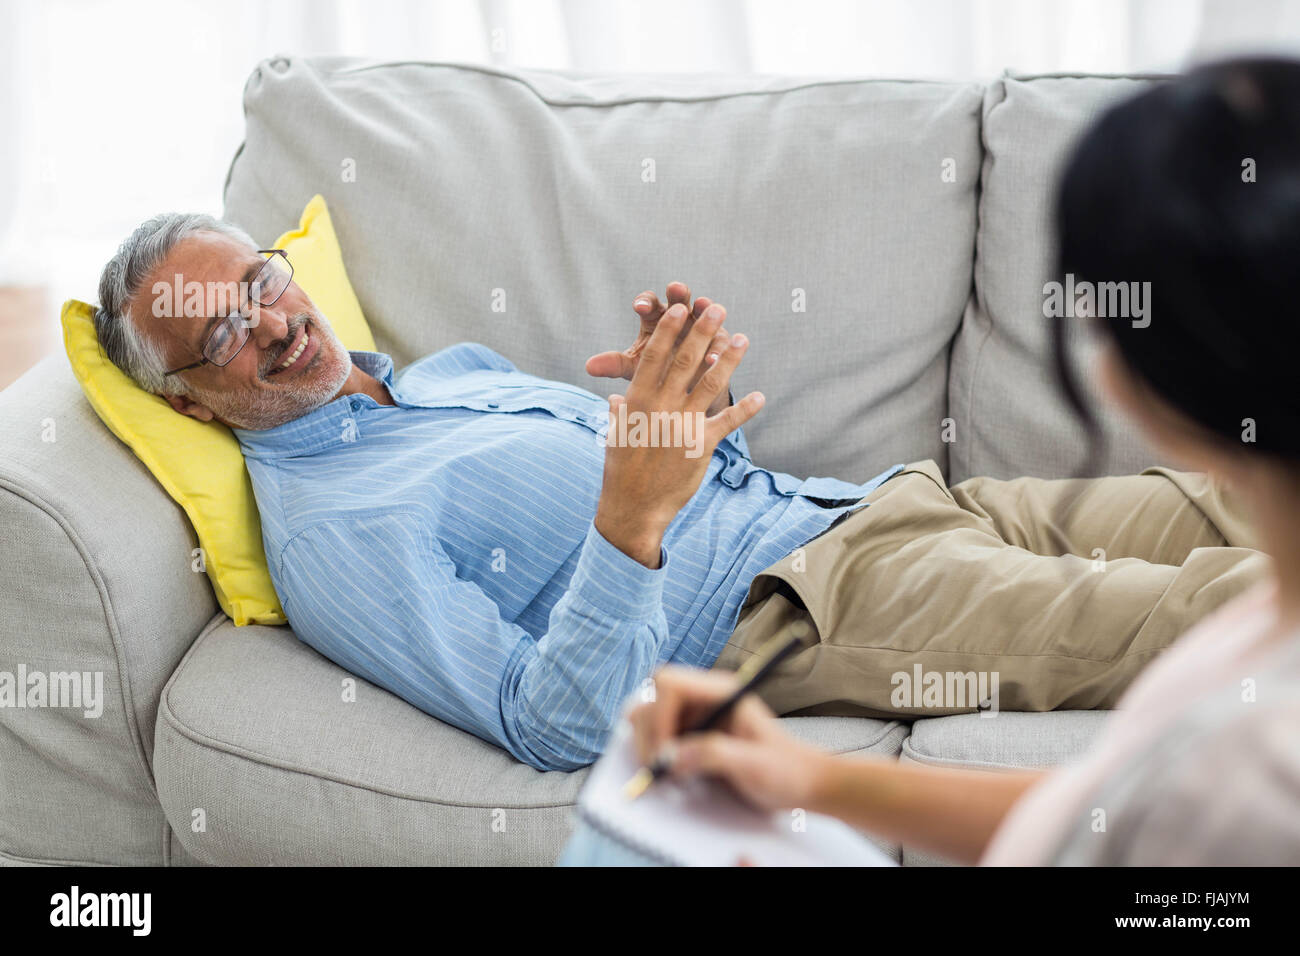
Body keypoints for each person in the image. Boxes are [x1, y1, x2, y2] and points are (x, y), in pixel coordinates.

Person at [93, 77, 1265, 776]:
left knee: (1239, 498)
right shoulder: (330, 537)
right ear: (188, 397)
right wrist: (631, 515)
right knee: (1213, 610)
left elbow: (658, 477)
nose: (268, 322)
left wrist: (681, 403)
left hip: (876, 504)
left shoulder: (444, 374)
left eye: (256, 280)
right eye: (218, 334)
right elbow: (552, 723)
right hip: (799, 610)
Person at [604, 56, 1300, 864]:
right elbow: (1105, 810)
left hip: (833, 543)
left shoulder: (1248, 764)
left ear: (1140, 385)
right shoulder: (1258, 647)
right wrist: (815, 781)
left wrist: (634, 507)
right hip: (851, 538)